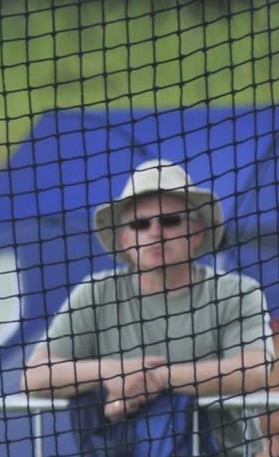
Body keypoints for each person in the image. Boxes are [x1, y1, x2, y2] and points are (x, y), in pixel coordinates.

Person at [24, 159, 272, 457]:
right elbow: (34, 377)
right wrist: (112, 372)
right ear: (125, 239)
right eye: (140, 224)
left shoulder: (238, 292)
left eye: (169, 221)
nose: (155, 231)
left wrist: (158, 379)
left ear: (195, 232)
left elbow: (254, 370)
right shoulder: (96, 291)